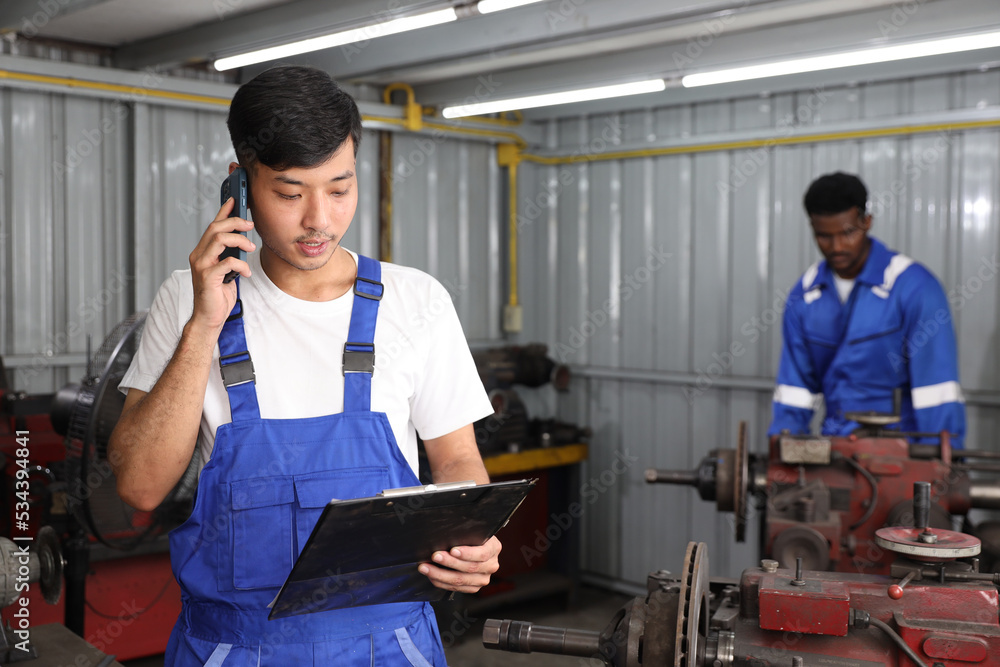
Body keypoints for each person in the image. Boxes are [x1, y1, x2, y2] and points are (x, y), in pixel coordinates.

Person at [108, 65, 499, 666]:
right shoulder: (185, 301)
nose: (319, 219)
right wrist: (205, 324)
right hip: (235, 649)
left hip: (388, 648)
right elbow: (139, 486)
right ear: (238, 186)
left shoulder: (416, 300)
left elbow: (456, 459)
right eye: (290, 194)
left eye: (340, 189)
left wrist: (471, 537)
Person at [768, 171, 966, 448]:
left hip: (903, 452)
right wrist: (781, 456)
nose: (837, 247)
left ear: (866, 222)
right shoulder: (804, 297)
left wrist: (946, 466)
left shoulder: (915, 289)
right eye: (824, 236)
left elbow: (937, 393)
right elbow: (795, 391)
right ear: (812, 228)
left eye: (848, 233)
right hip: (836, 450)